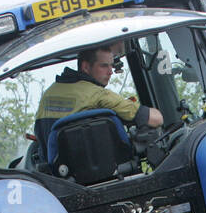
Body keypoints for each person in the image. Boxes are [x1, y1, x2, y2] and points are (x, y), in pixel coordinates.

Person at [34, 45, 163, 163]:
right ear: (85, 67)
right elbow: (156, 119)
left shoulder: (47, 96)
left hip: (60, 179)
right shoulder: (99, 94)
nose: (110, 71)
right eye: (104, 66)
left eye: (111, 66)